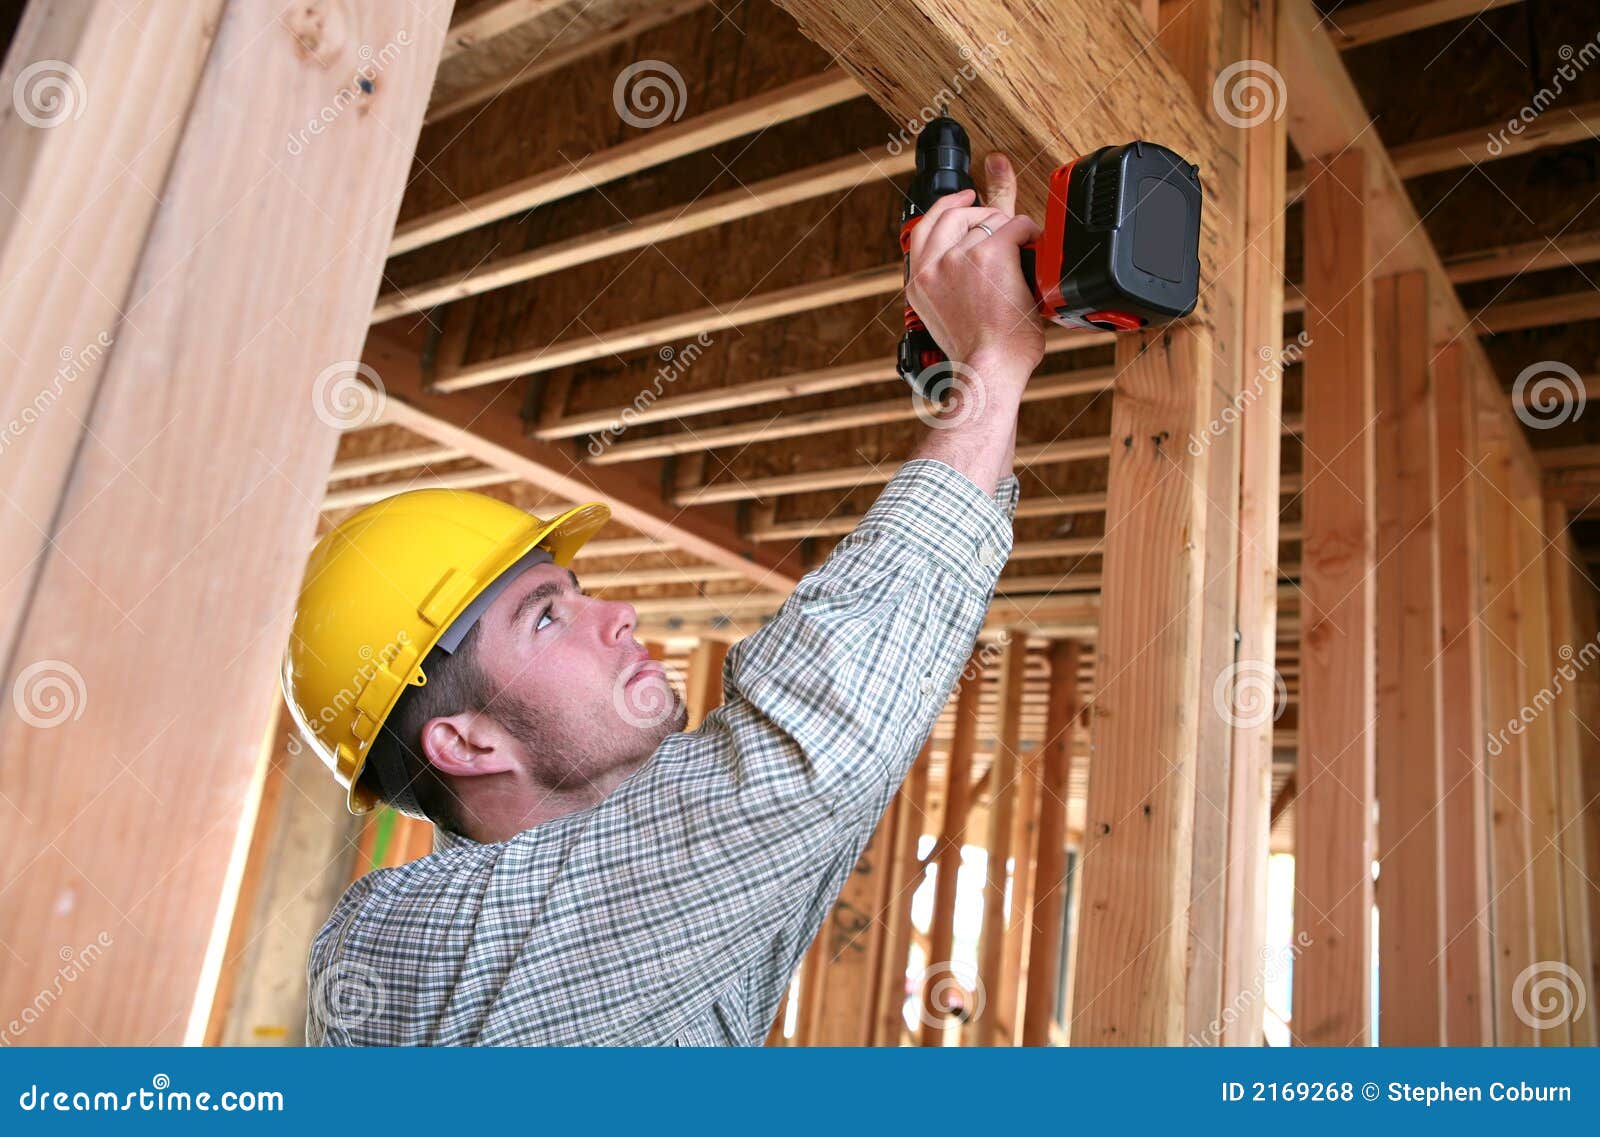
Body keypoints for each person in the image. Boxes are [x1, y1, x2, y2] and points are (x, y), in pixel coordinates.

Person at [283, 152, 1045, 1045]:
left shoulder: (685, 906)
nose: (619, 614)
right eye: (547, 615)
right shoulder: (396, 952)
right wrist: (994, 360)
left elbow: (852, 738)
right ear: (465, 739)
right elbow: (811, 755)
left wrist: (974, 372)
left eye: (577, 593)